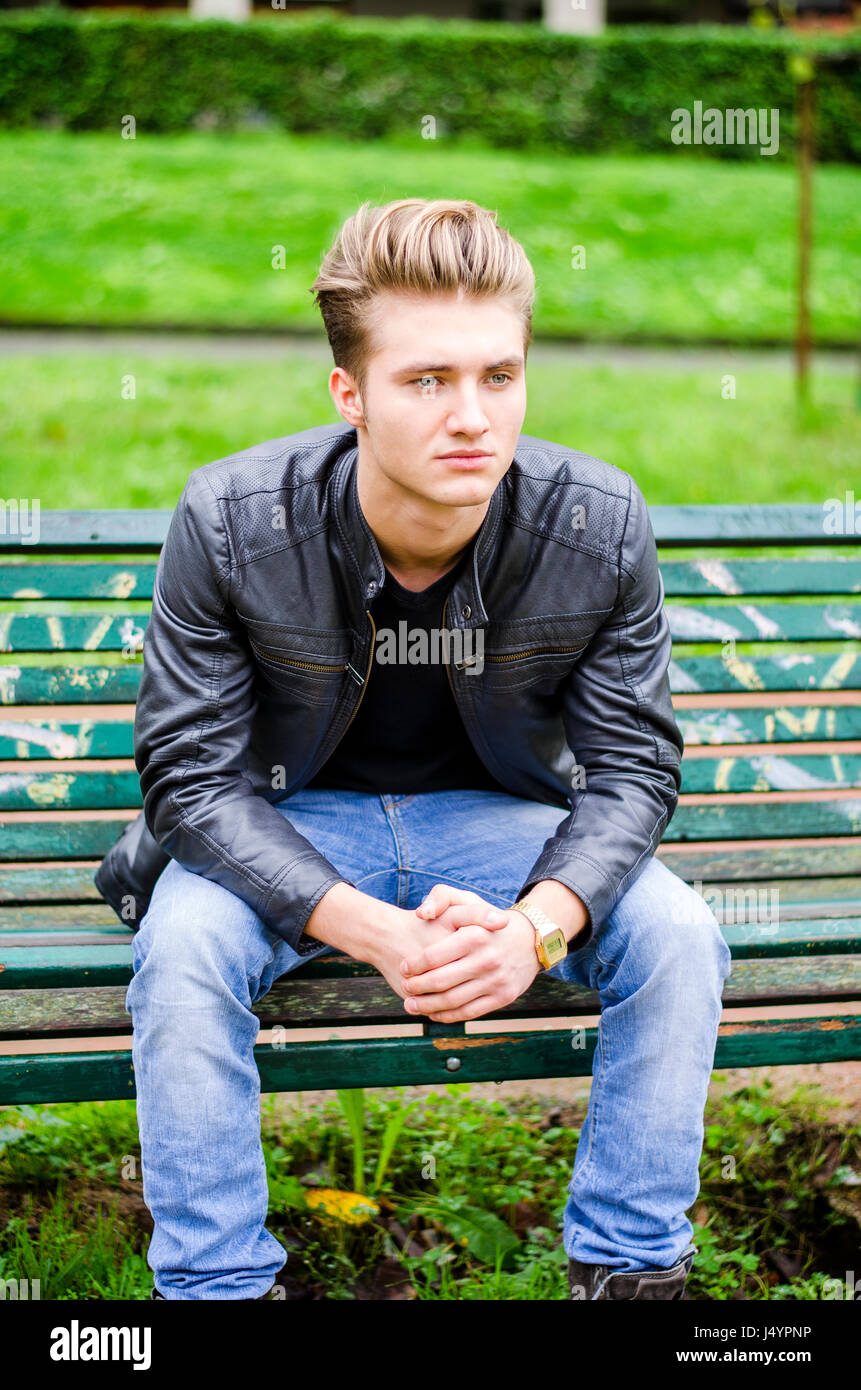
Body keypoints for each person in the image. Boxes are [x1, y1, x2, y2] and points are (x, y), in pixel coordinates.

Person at [98, 197, 732, 1301]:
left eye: (499, 376)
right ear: (350, 393)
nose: (473, 417)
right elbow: (192, 777)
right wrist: (377, 932)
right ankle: (216, 1286)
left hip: (496, 826)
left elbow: (633, 769)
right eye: (427, 381)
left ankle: (632, 1275)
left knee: (678, 931)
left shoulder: (600, 520)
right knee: (185, 947)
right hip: (281, 822)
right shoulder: (234, 516)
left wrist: (534, 930)